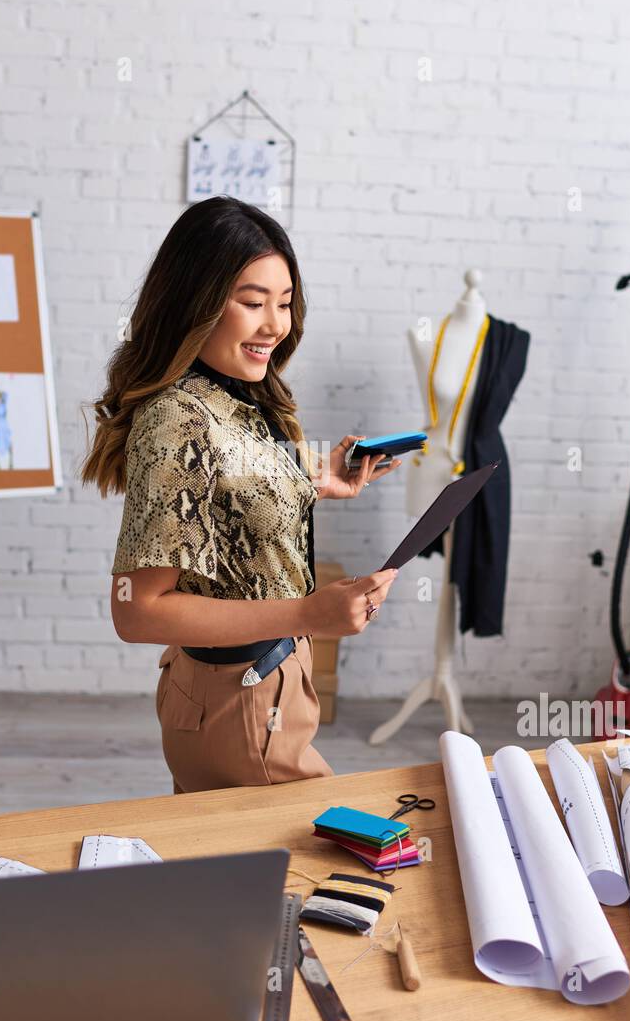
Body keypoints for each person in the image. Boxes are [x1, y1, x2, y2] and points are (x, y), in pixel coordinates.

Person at [82, 197, 401, 794]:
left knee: (239, 872)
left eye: (283, 304)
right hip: (240, 698)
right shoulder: (178, 419)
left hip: (258, 683)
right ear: (195, 305)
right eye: (252, 303)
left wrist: (310, 481)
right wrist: (310, 613)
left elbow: (222, 493)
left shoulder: (233, 389)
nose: (275, 324)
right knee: (327, 864)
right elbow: (136, 610)